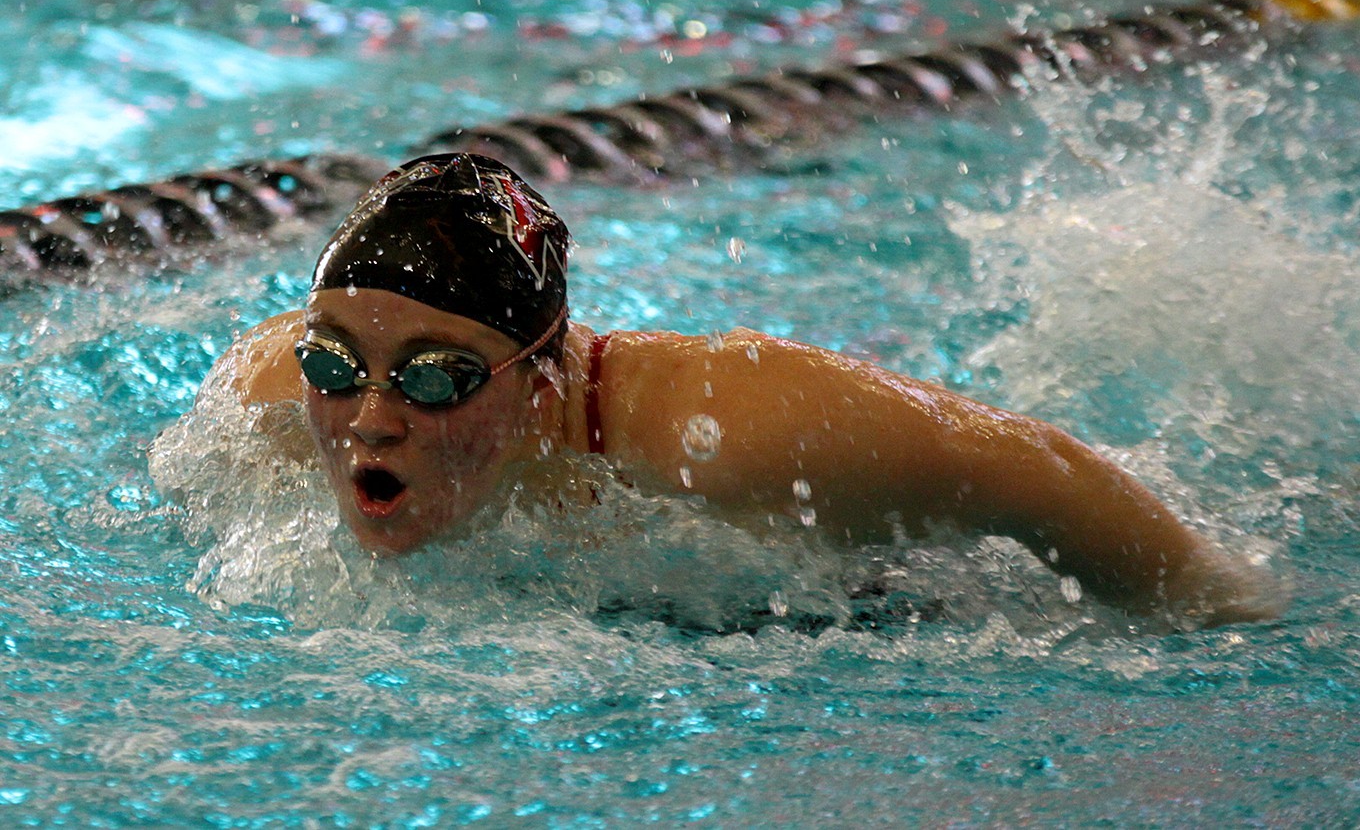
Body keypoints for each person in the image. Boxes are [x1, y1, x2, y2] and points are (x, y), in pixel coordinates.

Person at [211, 151, 1280, 628]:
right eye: (335, 366)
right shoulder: (265, 403)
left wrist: (1216, 612)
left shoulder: (727, 433)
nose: (371, 419)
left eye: (437, 378)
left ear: (541, 380)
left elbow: (1029, 469)